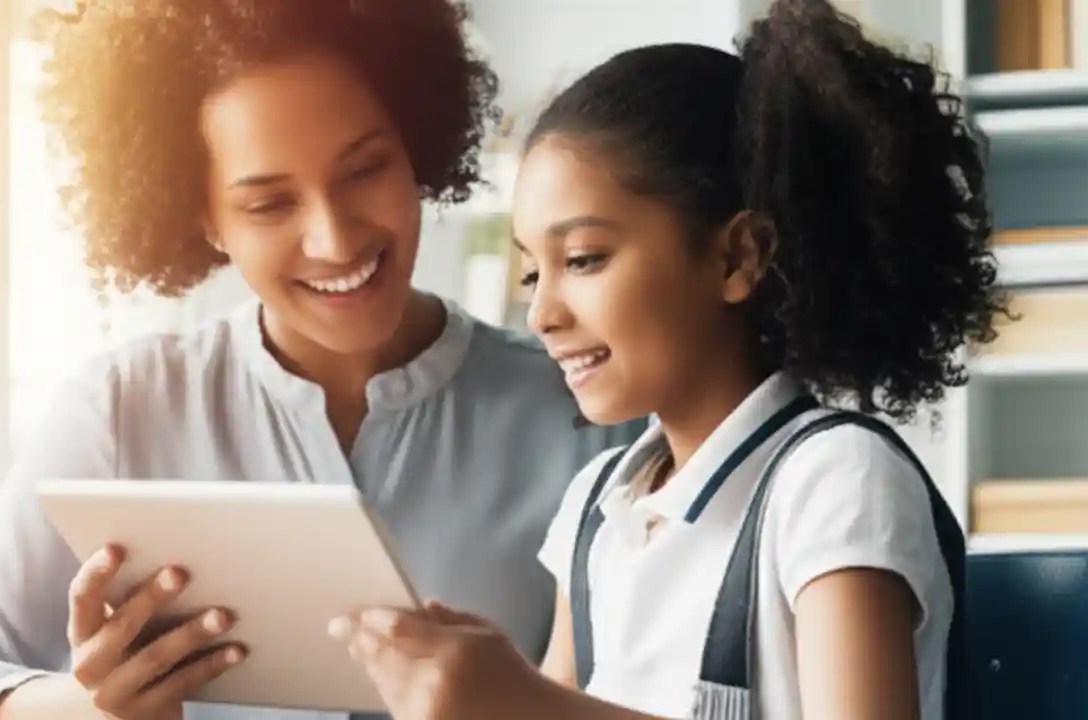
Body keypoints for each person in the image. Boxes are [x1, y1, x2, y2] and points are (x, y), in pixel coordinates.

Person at [0, 1, 643, 719]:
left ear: (416, 143)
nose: (336, 239)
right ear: (202, 216)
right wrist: (90, 707)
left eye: (363, 170)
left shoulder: (583, 413)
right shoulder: (124, 409)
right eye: (268, 204)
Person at [329, 1, 1004, 718]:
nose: (542, 314)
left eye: (583, 259)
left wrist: (524, 704)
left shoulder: (834, 482)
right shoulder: (596, 504)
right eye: (533, 273)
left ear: (738, 256)